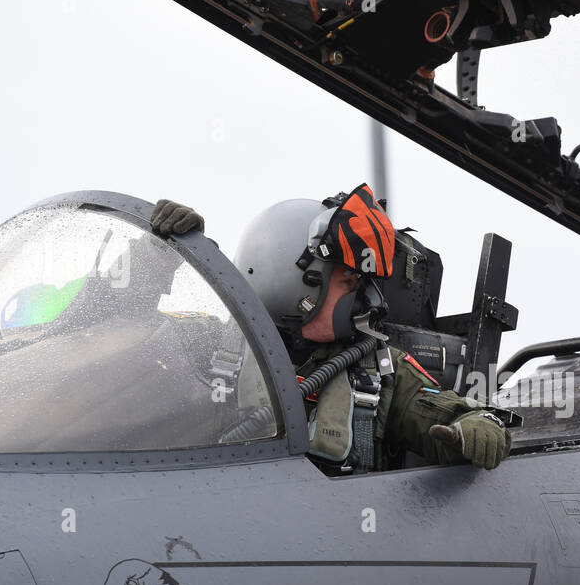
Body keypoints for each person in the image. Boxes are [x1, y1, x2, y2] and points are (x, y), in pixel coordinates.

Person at [150, 187, 510, 471]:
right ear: (297, 283)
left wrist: (481, 426)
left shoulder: (383, 371)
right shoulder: (207, 342)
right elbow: (109, 344)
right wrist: (154, 257)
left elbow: (454, 415)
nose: (368, 300)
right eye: (349, 281)